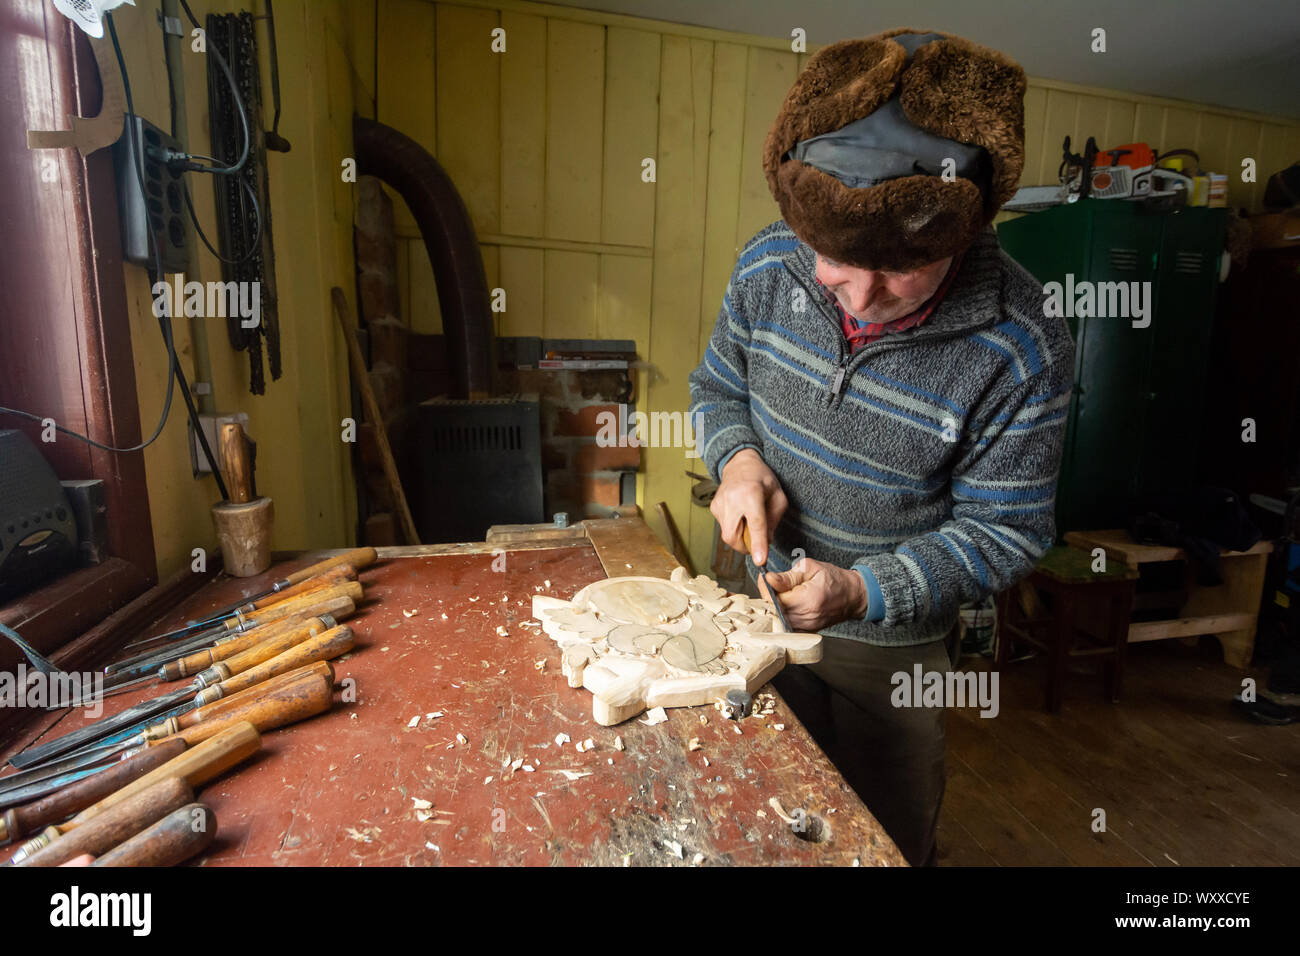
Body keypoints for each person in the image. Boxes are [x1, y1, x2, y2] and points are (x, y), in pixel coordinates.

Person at [688, 28, 1075, 866]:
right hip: (741, 613)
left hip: (887, 658)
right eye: (835, 261)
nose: (864, 297)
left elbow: (1006, 530)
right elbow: (716, 389)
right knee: (737, 823)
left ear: (965, 233)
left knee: (881, 844)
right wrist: (737, 460)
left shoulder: (1024, 339)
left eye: (906, 269)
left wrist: (862, 590)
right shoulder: (767, 263)